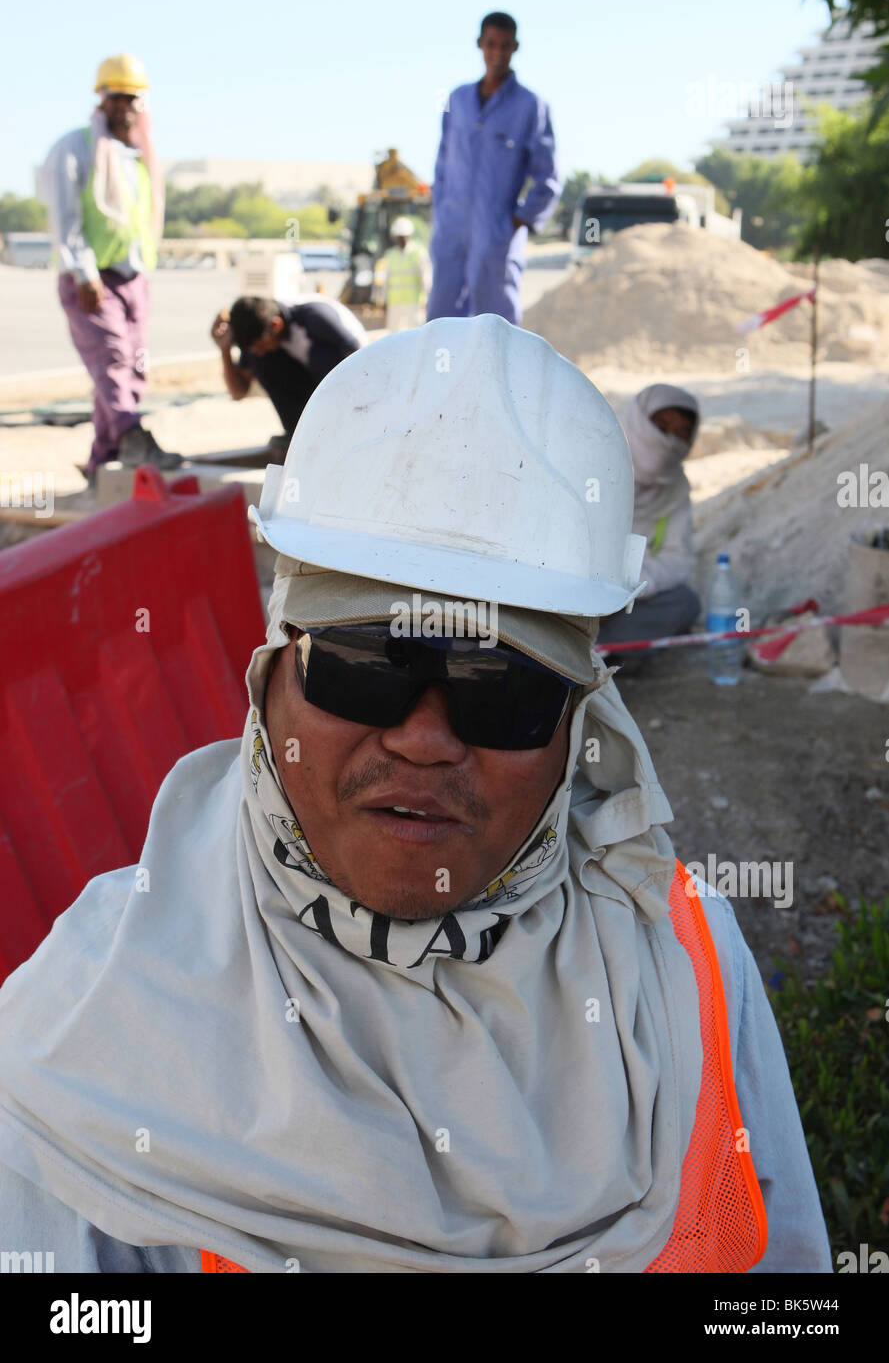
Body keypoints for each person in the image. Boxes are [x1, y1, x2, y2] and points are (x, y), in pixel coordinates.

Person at [0, 318, 830, 1273]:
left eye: (502, 690)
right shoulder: (96, 1024)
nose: (425, 739)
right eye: (362, 667)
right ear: (270, 677)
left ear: (577, 730)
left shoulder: (685, 960)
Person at [39, 55, 182, 480]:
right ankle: (133, 439)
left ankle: (103, 460)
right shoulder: (76, 148)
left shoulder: (137, 157)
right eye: (116, 97)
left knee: (132, 368)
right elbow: (64, 218)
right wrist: (83, 271)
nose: (125, 106)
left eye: (132, 98)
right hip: (92, 279)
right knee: (113, 359)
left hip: (132, 276)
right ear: (101, 100)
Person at [426, 11, 560, 326]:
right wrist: (441, 212)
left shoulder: (531, 106)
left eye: (505, 46)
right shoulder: (456, 100)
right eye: (491, 44)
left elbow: (548, 178)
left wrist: (515, 222)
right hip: (450, 230)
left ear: (515, 47)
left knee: (497, 329)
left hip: (496, 235)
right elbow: (442, 164)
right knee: (440, 326)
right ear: (479, 45)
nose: (497, 53)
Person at [596, 383, 702, 674]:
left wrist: (627, 590)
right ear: (640, 422)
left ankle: (596, 657)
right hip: (578, 591)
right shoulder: (598, 461)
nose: (669, 439)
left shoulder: (677, 488)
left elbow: (678, 559)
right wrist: (598, 593)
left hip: (629, 597)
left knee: (683, 603)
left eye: (682, 433)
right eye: (661, 425)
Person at [211, 294, 366, 459]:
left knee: (320, 358)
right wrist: (225, 349)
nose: (260, 350)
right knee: (260, 360)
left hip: (350, 390)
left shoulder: (314, 316)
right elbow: (238, 392)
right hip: (315, 389)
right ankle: (299, 433)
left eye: (261, 345)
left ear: (276, 325)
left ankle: (336, 429)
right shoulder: (260, 337)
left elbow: (362, 362)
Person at [382, 217, 430, 331]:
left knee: (414, 334)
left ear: (409, 236)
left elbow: (426, 279)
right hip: (395, 303)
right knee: (394, 334)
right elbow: (386, 280)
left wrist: (427, 300)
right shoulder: (391, 255)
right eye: (399, 237)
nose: (401, 240)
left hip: (414, 303)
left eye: (403, 236)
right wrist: (384, 300)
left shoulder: (418, 253)